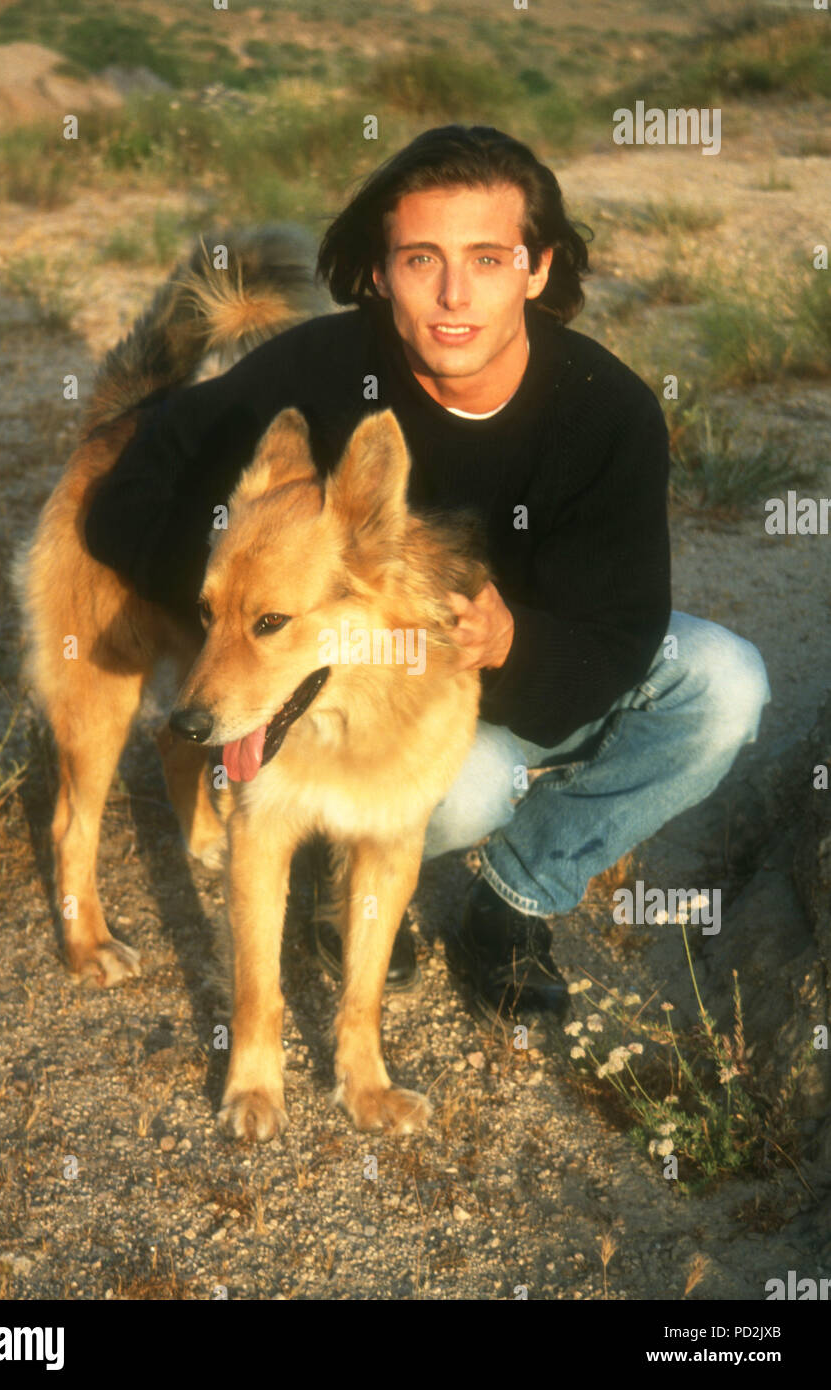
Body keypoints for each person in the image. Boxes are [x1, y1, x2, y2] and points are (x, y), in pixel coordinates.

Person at [84, 124, 771, 1027]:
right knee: (467, 788)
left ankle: (519, 899)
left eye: (488, 258)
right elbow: (127, 499)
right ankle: (360, 906)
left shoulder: (610, 414)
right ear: (380, 271)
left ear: (536, 268)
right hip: (377, 695)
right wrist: (240, 594)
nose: (454, 296)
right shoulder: (319, 366)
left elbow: (621, 633)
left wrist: (515, 643)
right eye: (421, 260)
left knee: (725, 683)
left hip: (527, 673)